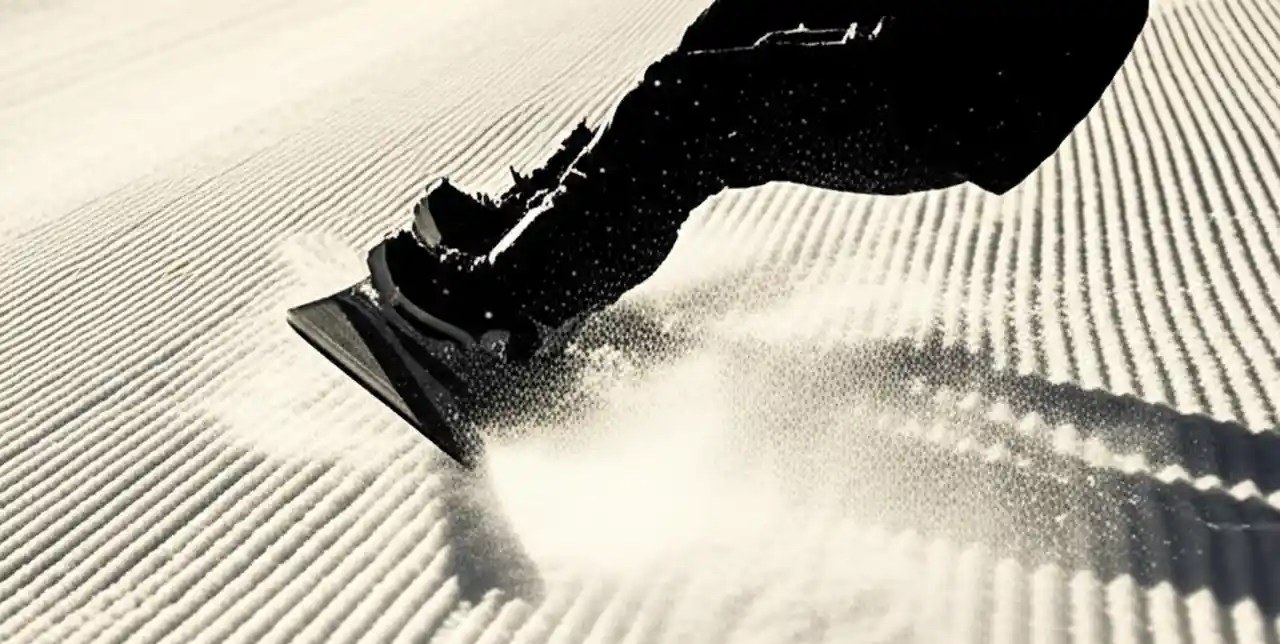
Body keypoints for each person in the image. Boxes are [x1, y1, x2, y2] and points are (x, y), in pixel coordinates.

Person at [366, 0, 1151, 362]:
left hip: (929, 105)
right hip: (919, 66)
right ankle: (534, 235)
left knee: (688, 107)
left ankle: (507, 309)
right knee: (725, 30)